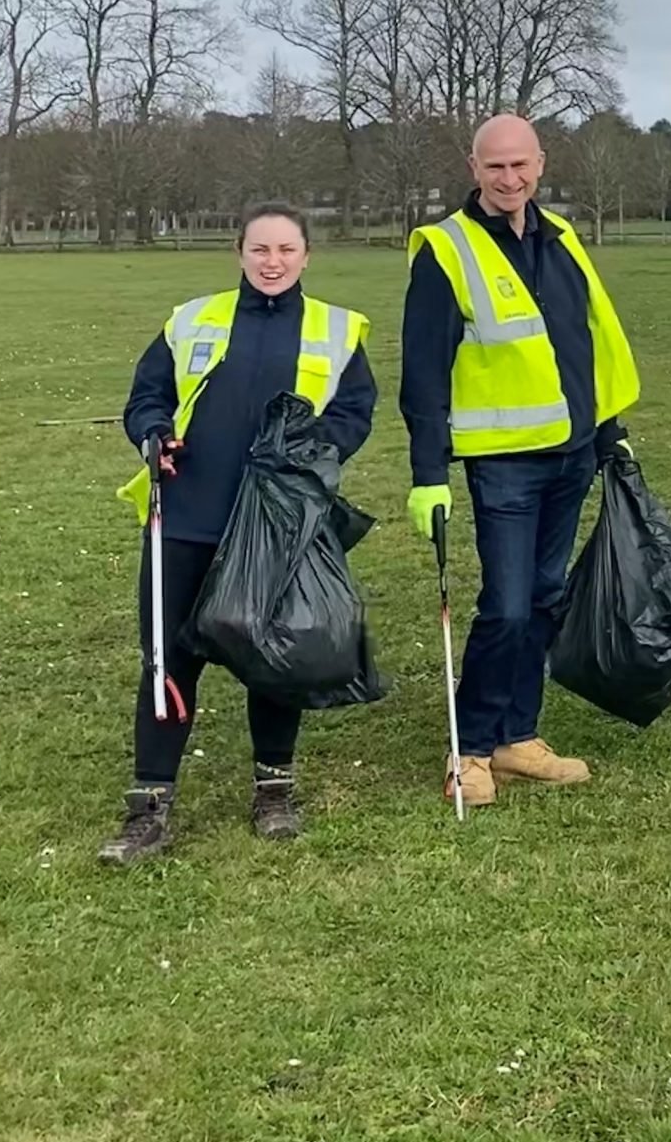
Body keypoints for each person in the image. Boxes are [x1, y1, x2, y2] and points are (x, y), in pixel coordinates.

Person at [101, 203, 375, 864]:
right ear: (240, 252)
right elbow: (146, 397)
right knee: (168, 662)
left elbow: (354, 412)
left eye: (286, 249)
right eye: (260, 249)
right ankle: (150, 808)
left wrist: (314, 450)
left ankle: (274, 790)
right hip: (188, 519)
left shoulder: (338, 331)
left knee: (274, 656)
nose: (272, 261)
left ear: (307, 255)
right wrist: (153, 434)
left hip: (277, 526)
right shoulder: (193, 318)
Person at [402, 114, 637, 808]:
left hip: (570, 454)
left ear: (541, 163)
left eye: (521, 165)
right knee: (504, 607)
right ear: (474, 169)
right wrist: (426, 474)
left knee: (543, 600)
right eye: (495, 167)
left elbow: (585, 341)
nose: (510, 179)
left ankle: (517, 736)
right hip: (502, 463)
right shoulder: (445, 251)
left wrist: (607, 432)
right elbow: (424, 373)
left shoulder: (562, 238)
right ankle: (469, 748)